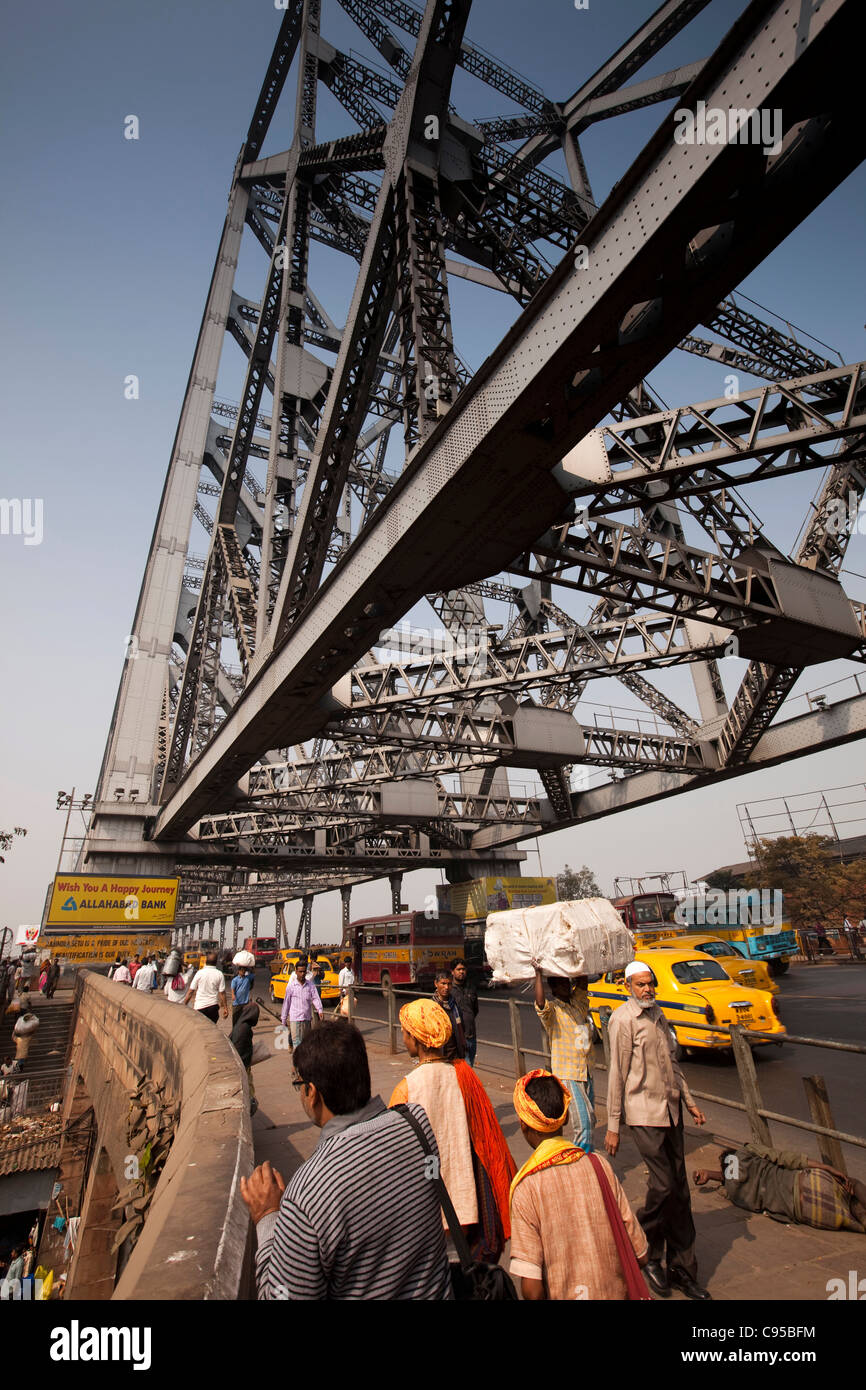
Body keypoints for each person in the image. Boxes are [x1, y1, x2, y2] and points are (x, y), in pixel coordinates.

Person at [241, 1020, 452, 1300]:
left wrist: (268, 1218)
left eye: (298, 1084)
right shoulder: (417, 1125)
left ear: (312, 1093)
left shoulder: (308, 1193)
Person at [605, 960, 709, 1301]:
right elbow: (616, 1073)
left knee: (679, 1191)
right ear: (627, 987)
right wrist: (613, 1125)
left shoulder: (658, 1015)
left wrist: (690, 1102)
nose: (647, 989)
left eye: (650, 984)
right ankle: (643, 1243)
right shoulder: (623, 1021)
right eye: (640, 985)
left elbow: (673, 1064)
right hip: (643, 1113)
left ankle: (683, 1269)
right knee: (663, 1186)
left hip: (672, 1111)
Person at [389, 998, 515, 1262]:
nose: (403, 1037)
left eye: (405, 1031)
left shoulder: (406, 1089)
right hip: (467, 1206)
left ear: (416, 1038)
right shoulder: (463, 1076)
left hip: (426, 1213)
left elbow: (396, 1160)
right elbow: (483, 1139)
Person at [509, 1070, 648, 1300]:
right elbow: (640, 1252)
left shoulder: (526, 1187)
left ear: (523, 1124)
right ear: (564, 1118)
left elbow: (532, 1291)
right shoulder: (598, 1165)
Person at [694, 1142, 866, 1233]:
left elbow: (731, 1177)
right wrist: (829, 1168)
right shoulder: (745, 1152)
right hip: (807, 1183)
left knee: (853, 1220)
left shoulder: (733, 1194)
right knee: (853, 1186)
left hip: (807, 1212)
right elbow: (787, 1158)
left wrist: (710, 1175)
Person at [532, 963, 595, 1153]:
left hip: (586, 1070)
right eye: (561, 984)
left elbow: (583, 985)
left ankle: (586, 1156)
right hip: (569, 1074)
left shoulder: (577, 1005)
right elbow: (541, 1004)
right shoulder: (553, 1011)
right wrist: (538, 974)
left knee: (591, 1119)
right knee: (583, 1124)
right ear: (554, 988)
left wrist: (578, 963)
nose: (566, 987)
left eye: (567, 983)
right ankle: (581, 1161)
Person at [280, 958, 323, 1048]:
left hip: (307, 1019)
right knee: (297, 1046)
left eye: (304, 972)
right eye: (300, 972)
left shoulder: (310, 985)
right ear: (296, 972)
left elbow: (315, 998)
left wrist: (320, 1010)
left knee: (306, 1045)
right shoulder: (291, 987)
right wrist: (283, 1019)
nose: (302, 974)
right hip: (295, 1020)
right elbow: (286, 1003)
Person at [230, 1002, 260, 1115]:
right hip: (243, 1064)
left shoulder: (241, 1025)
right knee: (248, 1086)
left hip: (243, 1063)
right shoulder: (245, 1029)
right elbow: (241, 1049)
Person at [450, 959, 479, 1068]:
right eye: (458, 969)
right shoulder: (449, 990)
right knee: (465, 1069)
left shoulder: (471, 988)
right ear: (452, 972)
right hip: (457, 1038)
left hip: (471, 1036)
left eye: (463, 969)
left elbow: (475, 1010)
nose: (461, 972)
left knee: (469, 1066)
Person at [431, 969, 465, 1061]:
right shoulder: (431, 1007)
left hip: (455, 1055)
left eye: (449, 984)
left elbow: (461, 1027)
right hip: (437, 1055)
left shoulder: (455, 1005)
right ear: (436, 983)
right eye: (443, 983)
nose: (446, 987)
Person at [185, 952, 228, 1024]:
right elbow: (222, 993)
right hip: (213, 1007)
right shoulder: (219, 974)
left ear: (205, 961)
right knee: (211, 1030)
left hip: (199, 1007)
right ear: (216, 962)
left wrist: (184, 1004)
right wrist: (225, 1008)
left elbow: (191, 991)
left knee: (199, 1030)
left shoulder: (199, 973)